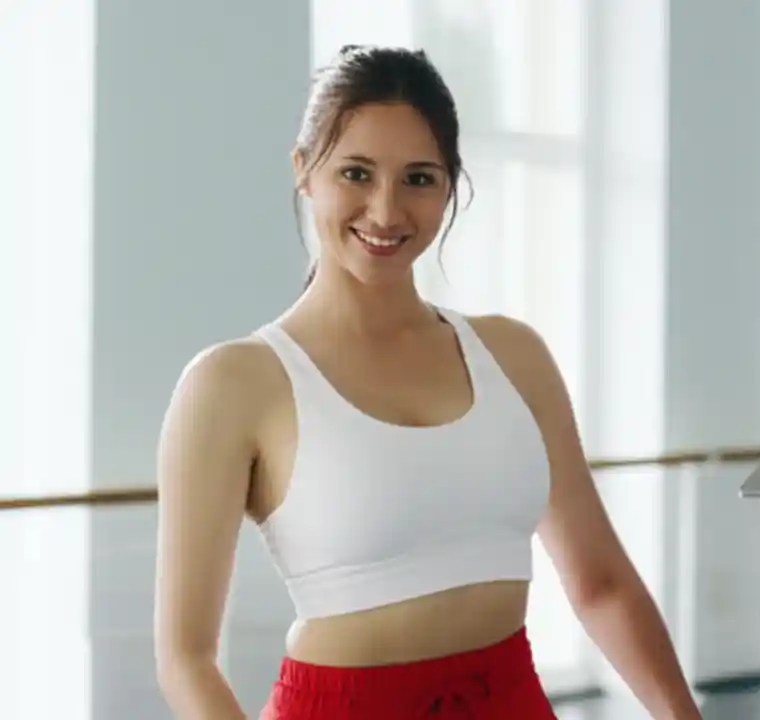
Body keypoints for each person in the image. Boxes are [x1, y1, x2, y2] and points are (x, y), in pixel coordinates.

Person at [153, 45, 702, 720]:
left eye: (419, 178)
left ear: (450, 186)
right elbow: (186, 656)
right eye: (356, 172)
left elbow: (602, 584)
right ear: (304, 172)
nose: (385, 212)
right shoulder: (233, 383)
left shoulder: (514, 355)